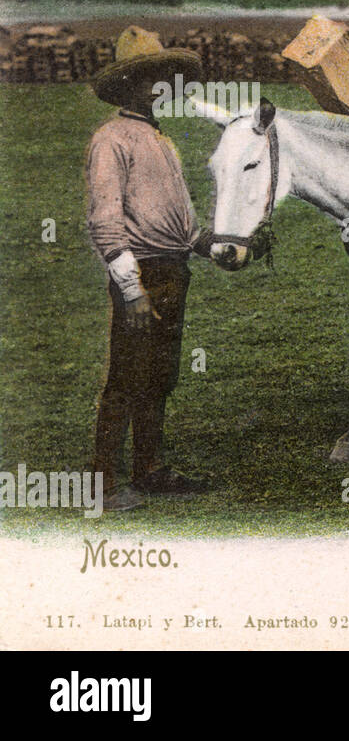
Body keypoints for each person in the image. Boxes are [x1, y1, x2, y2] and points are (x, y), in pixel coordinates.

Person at [86, 27, 214, 511]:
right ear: (128, 86)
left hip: (174, 273)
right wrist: (131, 289)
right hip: (139, 274)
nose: (161, 87)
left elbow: (180, 224)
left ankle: (151, 468)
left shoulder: (159, 138)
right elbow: (105, 219)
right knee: (125, 379)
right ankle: (103, 484)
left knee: (161, 375)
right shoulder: (111, 139)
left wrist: (215, 245)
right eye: (151, 78)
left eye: (167, 77)